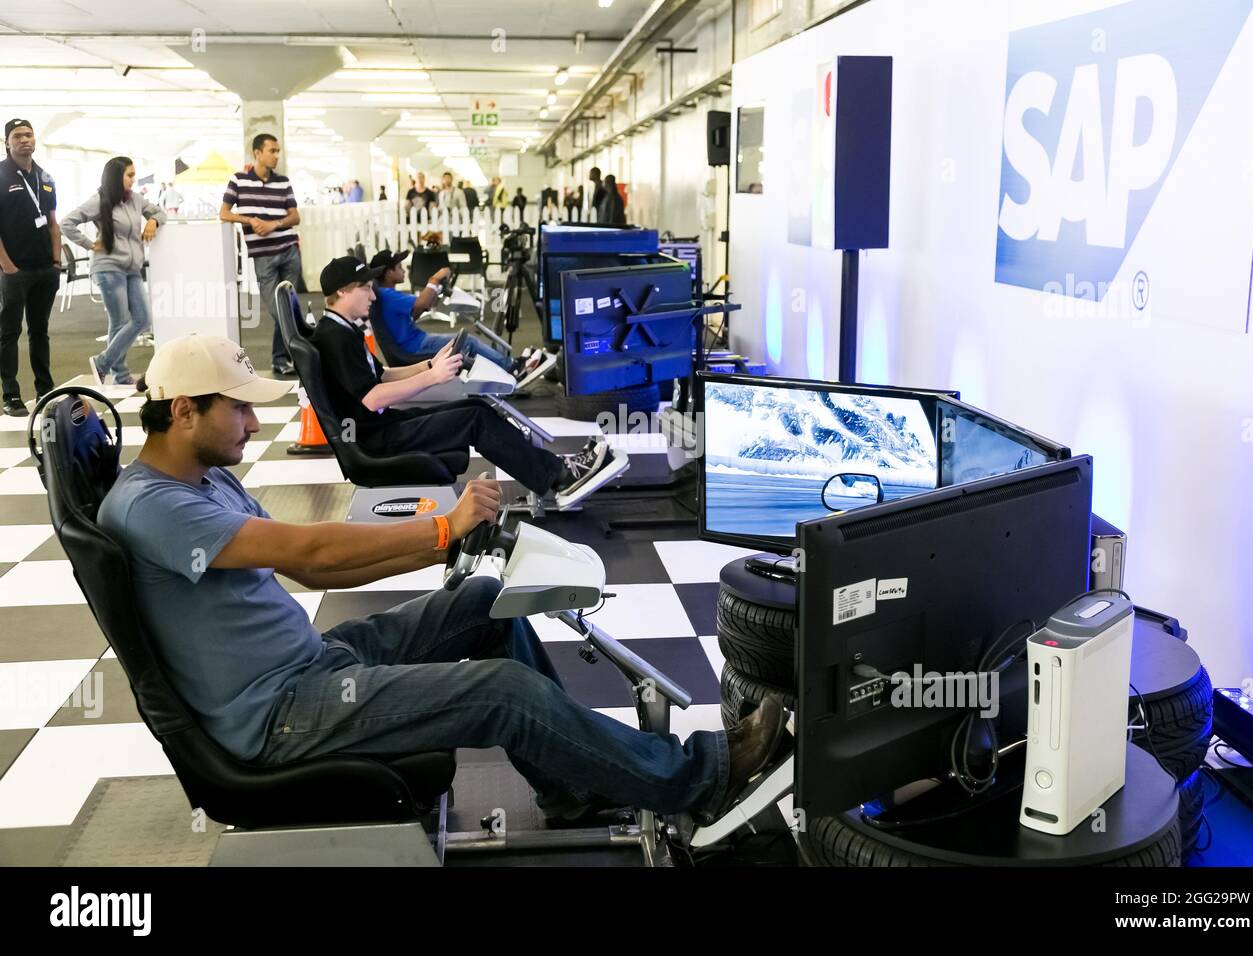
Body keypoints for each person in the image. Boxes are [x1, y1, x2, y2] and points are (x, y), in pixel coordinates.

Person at [97, 332, 785, 824]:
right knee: (504, 694)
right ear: (184, 409)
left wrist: (439, 550)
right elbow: (315, 549)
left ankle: (569, 788)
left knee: (485, 602)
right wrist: (440, 529)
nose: (252, 422)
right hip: (278, 713)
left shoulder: (204, 480)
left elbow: (306, 566)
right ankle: (700, 778)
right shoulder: (154, 506)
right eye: (237, 408)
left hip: (307, 662)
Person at [312, 255, 618, 506]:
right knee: (475, 419)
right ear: (342, 291)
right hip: (373, 440)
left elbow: (382, 376)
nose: (373, 294)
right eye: (365, 288)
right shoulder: (335, 336)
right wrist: (433, 377)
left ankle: (557, 468)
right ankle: (562, 478)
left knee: (476, 407)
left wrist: (430, 364)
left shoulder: (345, 329)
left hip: (381, 427)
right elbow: (372, 398)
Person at [368, 248, 551, 383]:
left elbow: (416, 311)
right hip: (414, 346)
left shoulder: (388, 295)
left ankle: (507, 366)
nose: (404, 270)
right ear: (388, 272)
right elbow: (422, 304)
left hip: (416, 341)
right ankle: (512, 368)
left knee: (465, 340)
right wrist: (435, 279)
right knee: (468, 342)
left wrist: (435, 290)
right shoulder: (387, 295)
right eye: (399, 267)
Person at [60, 155, 166, 387]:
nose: (133, 180)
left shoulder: (136, 200)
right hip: (108, 267)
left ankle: (105, 364)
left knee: (141, 319)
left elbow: (161, 213)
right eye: (129, 175)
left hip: (132, 268)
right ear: (117, 177)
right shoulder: (99, 200)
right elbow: (67, 222)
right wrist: (89, 244)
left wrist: (152, 222)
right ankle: (117, 373)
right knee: (120, 321)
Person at [219, 133, 303, 377]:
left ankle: (280, 359)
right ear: (257, 153)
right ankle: (289, 356)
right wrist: (250, 220)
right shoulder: (239, 180)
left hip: (288, 251)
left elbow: (295, 216)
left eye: (278, 151)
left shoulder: (283, 182)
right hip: (263, 257)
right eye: (272, 151)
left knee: (289, 308)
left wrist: (273, 225)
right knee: (281, 311)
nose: (277, 155)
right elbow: (224, 213)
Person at [0, 118, 61, 417]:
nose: (25, 139)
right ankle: (11, 395)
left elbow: (52, 221)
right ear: (7, 142)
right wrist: (7, 266)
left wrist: (57, 261)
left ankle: (45, 390)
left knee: (40, 331)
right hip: (14, 271)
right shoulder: (0, 175)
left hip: (45, 270)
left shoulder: (45, 176)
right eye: (17, 136)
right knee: (9, 332)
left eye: (29, 134)